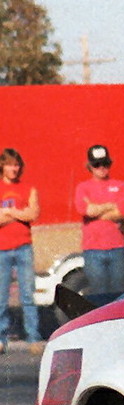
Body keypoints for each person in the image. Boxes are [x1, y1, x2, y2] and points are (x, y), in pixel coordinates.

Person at [73, 144, 124, 299]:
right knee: (98, 294)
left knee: (121, 294)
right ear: (90, 166)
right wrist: (110, 205)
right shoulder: (82, 188)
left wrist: (96, 210)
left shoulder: (120, 186)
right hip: (93, 250)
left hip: (117, 248)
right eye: (97, 164)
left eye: (105, 163)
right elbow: (85, 210)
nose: (101, 168)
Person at [0, 148, 42, 351]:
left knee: (28, 294)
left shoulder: (28, 188)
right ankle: (1, 338)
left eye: (16, 165)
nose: (13, 169)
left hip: (24, 247)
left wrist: (8, 211)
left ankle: (33, 337)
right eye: (9, 164)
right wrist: (20, 213)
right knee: (1, 296)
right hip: (2, 249)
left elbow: (33, 213)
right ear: (2, 166)